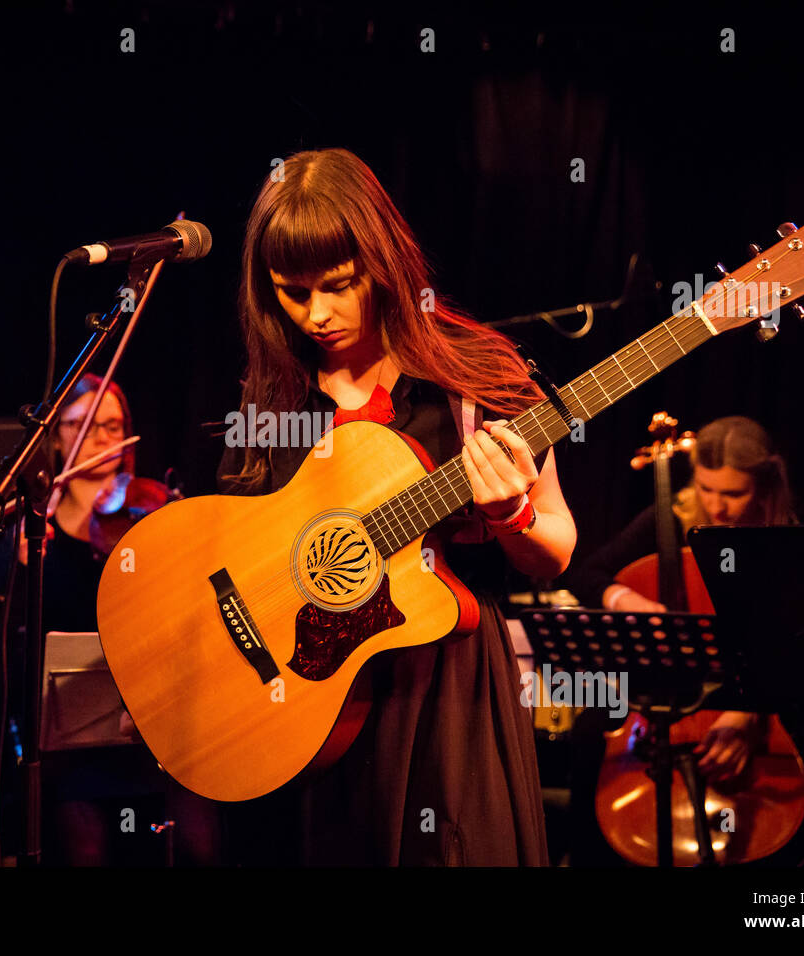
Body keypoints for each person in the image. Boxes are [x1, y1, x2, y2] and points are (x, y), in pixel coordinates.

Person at [215, 147, 577, 865]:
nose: (316, 314)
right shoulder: (272, 397)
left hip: (447, 708)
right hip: (303, 717)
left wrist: (512, 516)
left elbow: (557, 543)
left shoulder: (479, 377)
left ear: (383, 263)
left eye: (340, 285)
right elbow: (229, 552)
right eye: (291, 291)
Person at [566, 415, 804, 865]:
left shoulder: (790, 539)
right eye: (706, 488)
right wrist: (627, 600)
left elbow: (802, 646)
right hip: (683, 684)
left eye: (733, 493)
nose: (716, 506)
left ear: (766, 484)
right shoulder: (673, 514)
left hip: (772, 691)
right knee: (589, 732)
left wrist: (749, 714)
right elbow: (584, 572)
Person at [0, 374, 218, 865]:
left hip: (155, 730)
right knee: (84, 846)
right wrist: (14, 572)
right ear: (58, 436)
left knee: (200, 843)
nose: (101, 439)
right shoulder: (32, 527)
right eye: (83, 426)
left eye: (112, 425)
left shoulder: (153, 510)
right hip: (74, 744)